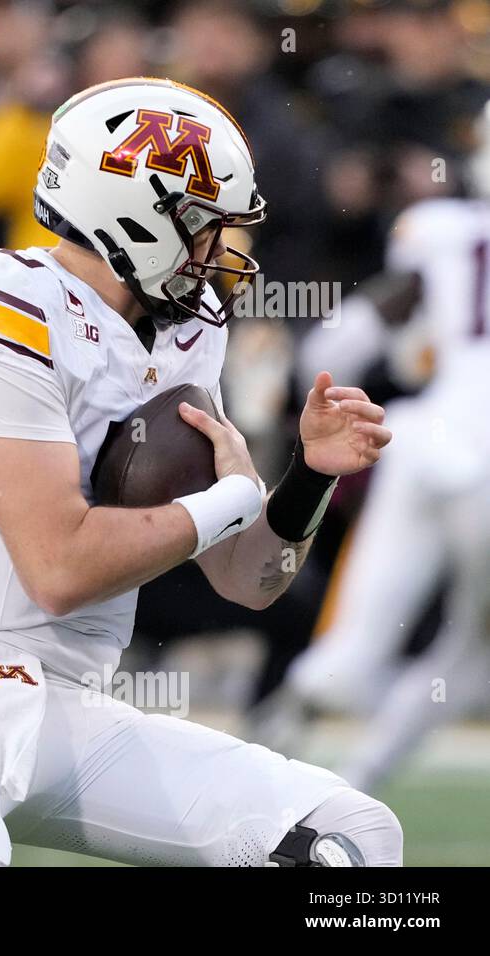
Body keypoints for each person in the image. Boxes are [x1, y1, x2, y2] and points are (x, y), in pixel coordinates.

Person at [0, 77, 402, 867]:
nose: (224, 253)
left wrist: (310, 477)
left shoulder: (181, 336)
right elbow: (60, 570)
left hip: (68, 705)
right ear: (132, 214)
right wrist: (229, 498)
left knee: (353, 834)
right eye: (205, 228)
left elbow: (250, 580)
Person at [252, 100, 490, 792]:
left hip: (424, 442)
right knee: (473, 650)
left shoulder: (440, 231)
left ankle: (274, 751)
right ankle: (355, 780)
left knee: (352, 646)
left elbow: (339, 342)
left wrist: (316, 416)